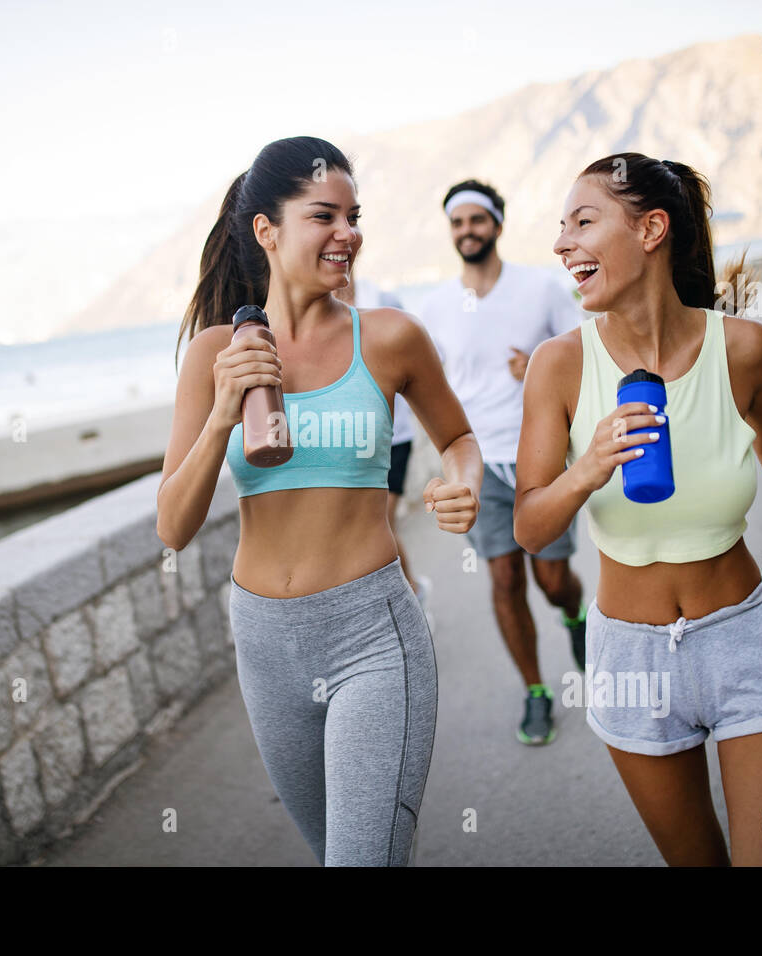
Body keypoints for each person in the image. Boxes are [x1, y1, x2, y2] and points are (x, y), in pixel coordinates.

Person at [517, 152, 762, 865]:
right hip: (630, 658)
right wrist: (586, 470)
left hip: (745, 641)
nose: (561, 244)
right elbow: (531, 525)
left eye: (583, 222)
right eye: (561, 227)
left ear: (651, 229)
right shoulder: (560, 365)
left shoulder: (744, 351)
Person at [157, 136, 482, 866]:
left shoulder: (391, 339)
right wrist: (221, 414)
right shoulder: (214, 354)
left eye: (354, 216)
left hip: (373, 634)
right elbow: (172, 527)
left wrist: (462, 480)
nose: (349, 234)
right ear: (266, 231)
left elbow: (459, 437)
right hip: (266, 645)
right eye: (324, 217)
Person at [418, 179, 588, 746]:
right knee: (504, 575)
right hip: (479, 461)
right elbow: (426, 388)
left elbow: (586, 352)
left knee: (552, 576)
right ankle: (536, 691)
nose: (467, 230)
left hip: (541, 455)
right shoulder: (436, 308)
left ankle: (574, 614)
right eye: (457, 223)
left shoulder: (539, 288)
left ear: (497, 224)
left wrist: (539, 365)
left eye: (476, 220)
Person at [334, 270, 434, 630]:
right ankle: (406, 594)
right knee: (371, 527)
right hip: (354, 438)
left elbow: (412, 361)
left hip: (395, 434)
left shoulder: (382, 300)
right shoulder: (320, 306)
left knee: (384, 523)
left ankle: (410, 598)